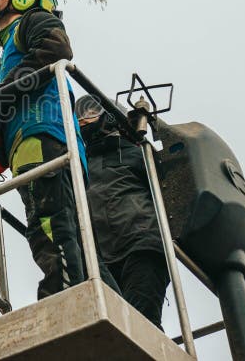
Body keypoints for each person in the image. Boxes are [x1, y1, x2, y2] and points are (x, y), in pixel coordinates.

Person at [0, 0, 119, 300]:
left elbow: (57, 47)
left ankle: (63, 296)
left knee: (50, 225)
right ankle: (118, 309)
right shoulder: (13, 44)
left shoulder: (33, 21)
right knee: (83, 245)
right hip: (41, 143)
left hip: (41, 138)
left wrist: (4, 94)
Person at [75, 94, 170, 329]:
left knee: (141, 326)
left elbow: (170, 191)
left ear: (109, 117)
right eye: (80, 116)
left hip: (141, 246)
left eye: (90, 113)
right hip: (102, 259)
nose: (84, 120)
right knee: (112, 330)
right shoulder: (79, 165)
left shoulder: (135, 152)